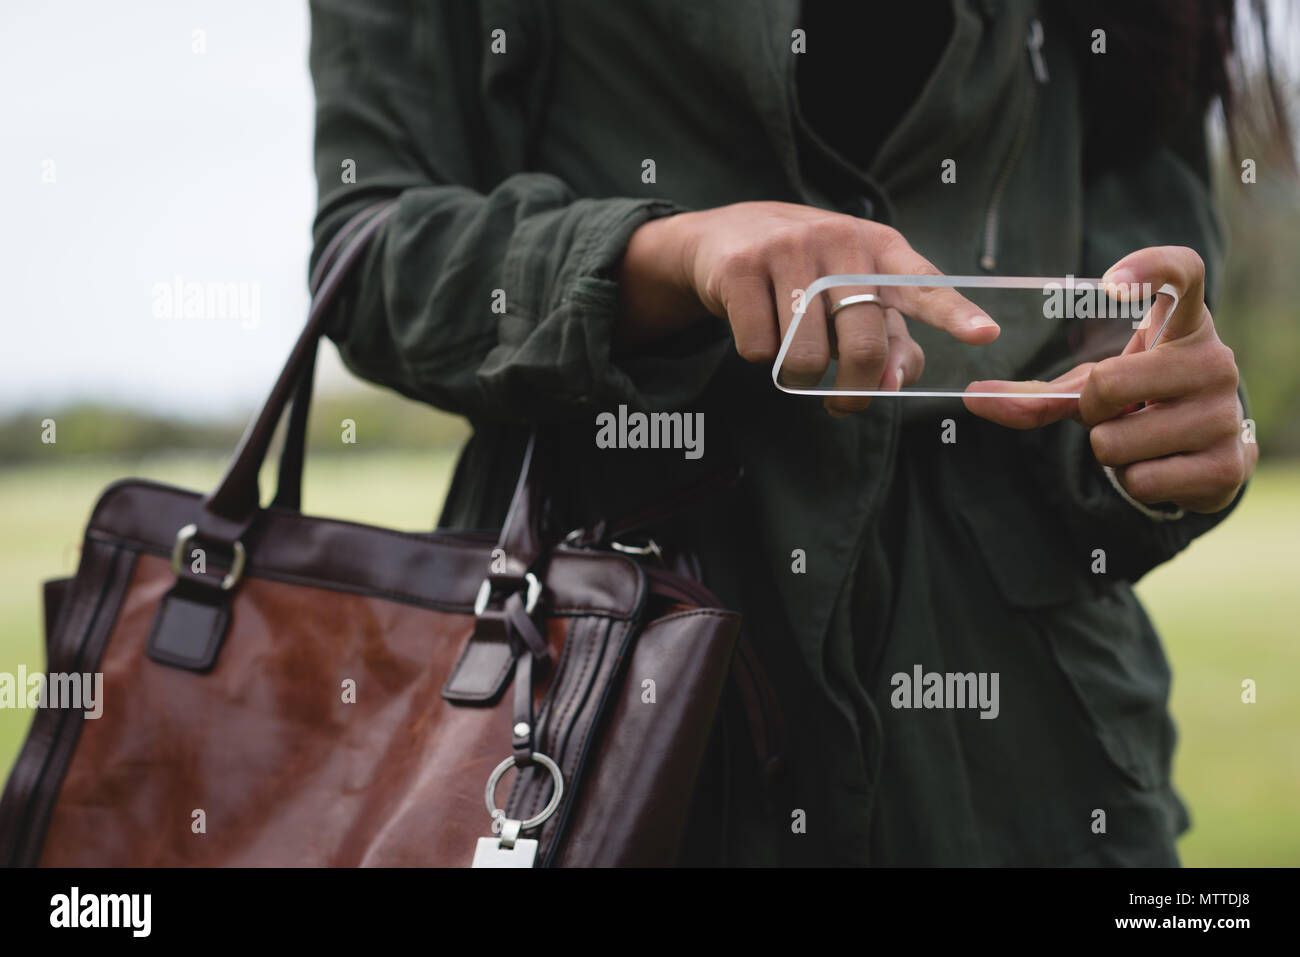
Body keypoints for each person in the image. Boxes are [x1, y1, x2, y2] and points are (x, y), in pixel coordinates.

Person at [307, 0, 1280, 865]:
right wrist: (662, 255)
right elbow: (372, 254)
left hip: (1034, 775)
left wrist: (1157, 421)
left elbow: (1124, 309)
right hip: (604, 721)